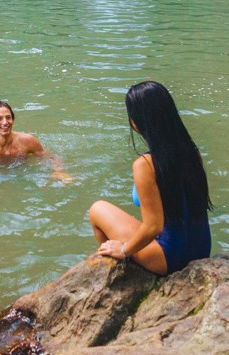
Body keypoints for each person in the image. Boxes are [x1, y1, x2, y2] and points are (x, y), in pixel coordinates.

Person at [90, 81, 212, 275]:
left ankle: (118, 273)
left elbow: (153, 226)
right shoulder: (191, 151)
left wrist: (124, 250)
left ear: (135, 122)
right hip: (201, 249)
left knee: (97, 209)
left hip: (169, 258)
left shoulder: (145, 165)